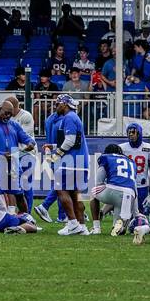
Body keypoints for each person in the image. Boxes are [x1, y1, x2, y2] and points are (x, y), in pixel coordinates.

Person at [0, 99, 37, 213]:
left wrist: (31, 143)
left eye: (10, 114)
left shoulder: (14, 125)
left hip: (13, 166)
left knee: (19, 195)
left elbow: (25, 137)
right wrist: (1, 154)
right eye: (6, 113)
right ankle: (0, 219)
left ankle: (27, 218)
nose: (8, 116)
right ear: (0, 109)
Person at [47, 93, 89, 236]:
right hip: (80, 160)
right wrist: (54, 147)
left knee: (61, 190)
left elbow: (70, 141)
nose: (56, 106)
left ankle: (72, 223)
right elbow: (74, 141)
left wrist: (56, 155)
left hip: (71, 161)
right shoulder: (74, 117)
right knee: (75, 194)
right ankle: (82, 225)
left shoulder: (69, 118)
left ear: (64, 104)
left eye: (58, 104)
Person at [89, 143, 138, 235]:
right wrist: (136, 214)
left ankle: (96, 227)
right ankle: (119, 225)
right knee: (120, 230)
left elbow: (98, 182)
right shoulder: (131, 162)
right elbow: (134, 189)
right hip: (129, 195)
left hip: (113, 190)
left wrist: (106, 185)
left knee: (94, 192)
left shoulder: (106, 157)